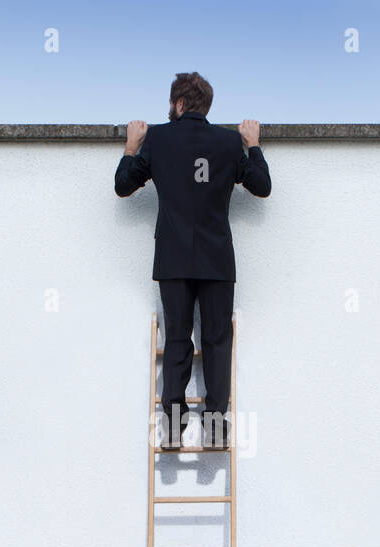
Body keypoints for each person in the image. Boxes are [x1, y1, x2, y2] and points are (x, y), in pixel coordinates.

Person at [114, 71, 271, 449]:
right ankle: (216, 431)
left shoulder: (159, 139)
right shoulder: (229, 142)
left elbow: (123, 186)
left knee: (178, 340)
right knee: (217, 341)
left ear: (179, 103)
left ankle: (171, 428)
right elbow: (262, 187)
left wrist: (131, 147)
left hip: (173, 258)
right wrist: (253, 146)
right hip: (218, 259)